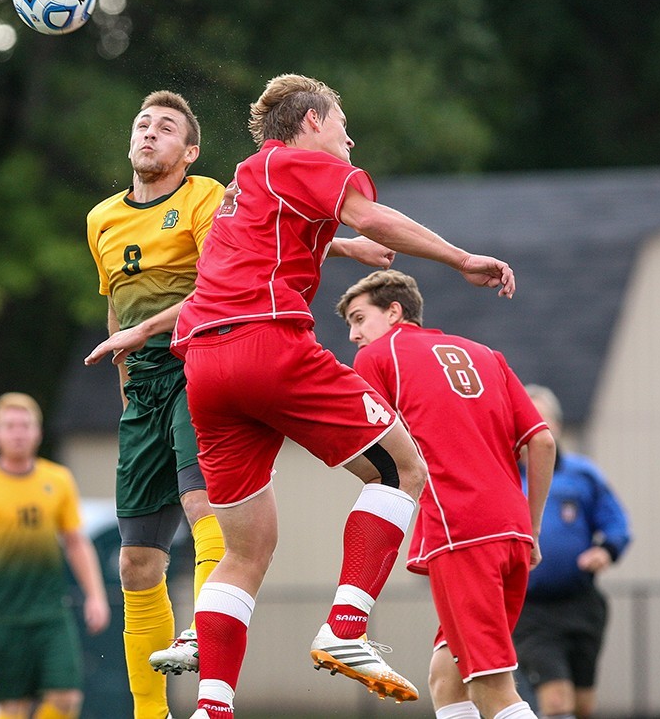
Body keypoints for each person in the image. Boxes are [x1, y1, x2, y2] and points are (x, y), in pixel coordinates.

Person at [167, 73, 517, 719]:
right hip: (266, 344)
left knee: (245, 549)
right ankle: (347, 626)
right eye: (341, 123)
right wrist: (461, 257)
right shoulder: (297, 161)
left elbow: (263, 251)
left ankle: (210, 708)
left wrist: (342, 245)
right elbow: (372, 212)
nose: (348, 137)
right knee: (403, 466)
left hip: (204, 370)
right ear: (309, 125)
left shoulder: (245, 184)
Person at [82, 90, 394, 719]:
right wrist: (127, 378)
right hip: (144, 386)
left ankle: (204, 628)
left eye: (166, 127)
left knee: (206, 507)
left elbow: (242, 249)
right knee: (137, 559)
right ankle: (150, 712)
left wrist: (344, 244)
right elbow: (117, 307)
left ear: (190, 151)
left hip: (198, 359)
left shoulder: (204, 194)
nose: (148, 133)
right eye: (141, 123)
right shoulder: (101, 219)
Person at [336, 269, 555, 719]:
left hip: (462, 531)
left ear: (394, 311)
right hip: (511, 532)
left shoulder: (380, 356)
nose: (355, 334)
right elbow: (543, 442)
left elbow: (367, 447)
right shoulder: (486, 355)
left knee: (493, 690)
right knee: (445, 676)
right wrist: (531, 528)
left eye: (360, 319)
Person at [0, 392, 110, 719]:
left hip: (52, 612)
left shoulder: (58, 479)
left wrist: (96, 595)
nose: (18, 433)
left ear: (38, 432)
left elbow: (76, 542)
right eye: (10, 426)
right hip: (4, 616)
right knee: (14, 706)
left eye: (25, 425)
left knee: (66, 697)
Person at [513, 384, 632, 719]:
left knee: (582, 705)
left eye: (541, 419)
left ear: (558, 426)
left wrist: (606, 551)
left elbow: (616, 522)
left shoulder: (582, 475)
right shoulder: (504, 476)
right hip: (530, 608)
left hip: (581, 603)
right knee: (555, 700)